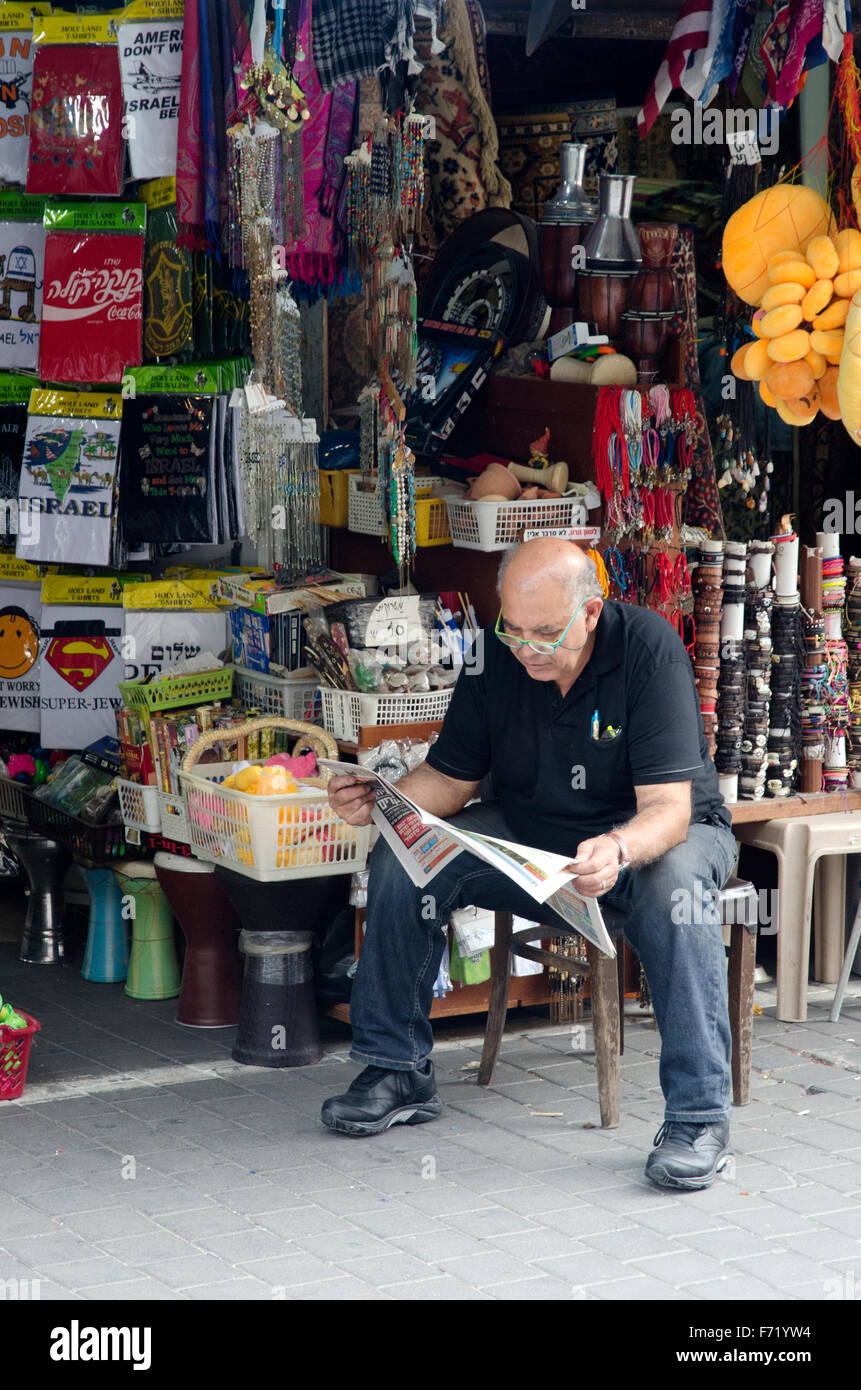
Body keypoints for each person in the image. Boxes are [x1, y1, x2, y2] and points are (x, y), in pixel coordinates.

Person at [323, 538, 738, 1191]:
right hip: (530, 837)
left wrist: (619, 847)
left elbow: (667, 810)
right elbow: (450, 779)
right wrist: (380, 803)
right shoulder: (497, 654)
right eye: (513, 630)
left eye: (546, 632)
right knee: (404, 856)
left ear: (592, 611)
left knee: (674, 889)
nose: (527, 649)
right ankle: (395, 1068)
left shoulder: (646, 649)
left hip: (653, 837)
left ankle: (696, 1118)